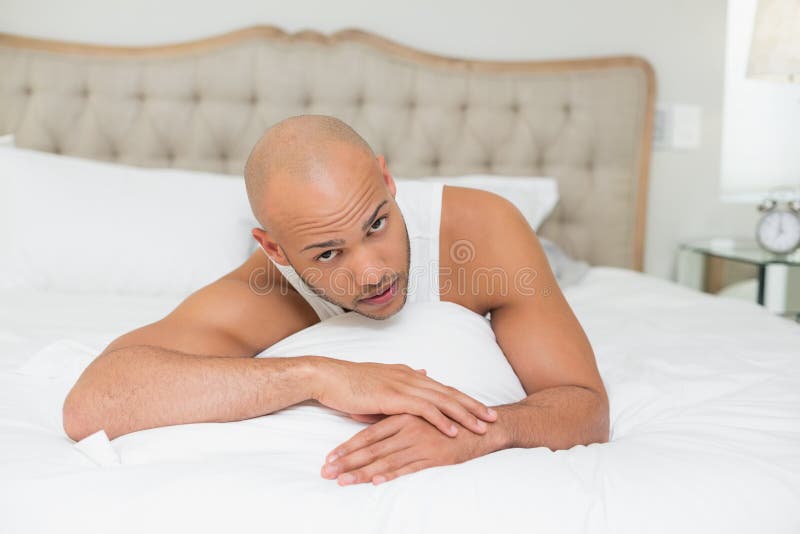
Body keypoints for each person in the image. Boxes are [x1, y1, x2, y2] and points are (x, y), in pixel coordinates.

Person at [62, 115, 609, 486]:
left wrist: (481, 432)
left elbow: (584, 404)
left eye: (377, 225)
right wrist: (318, 375)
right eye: (327, 255)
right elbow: (92, 403)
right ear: (275, 249)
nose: (372, 274)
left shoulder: (486, 228)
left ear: (388, 179)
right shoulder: (261, 291)